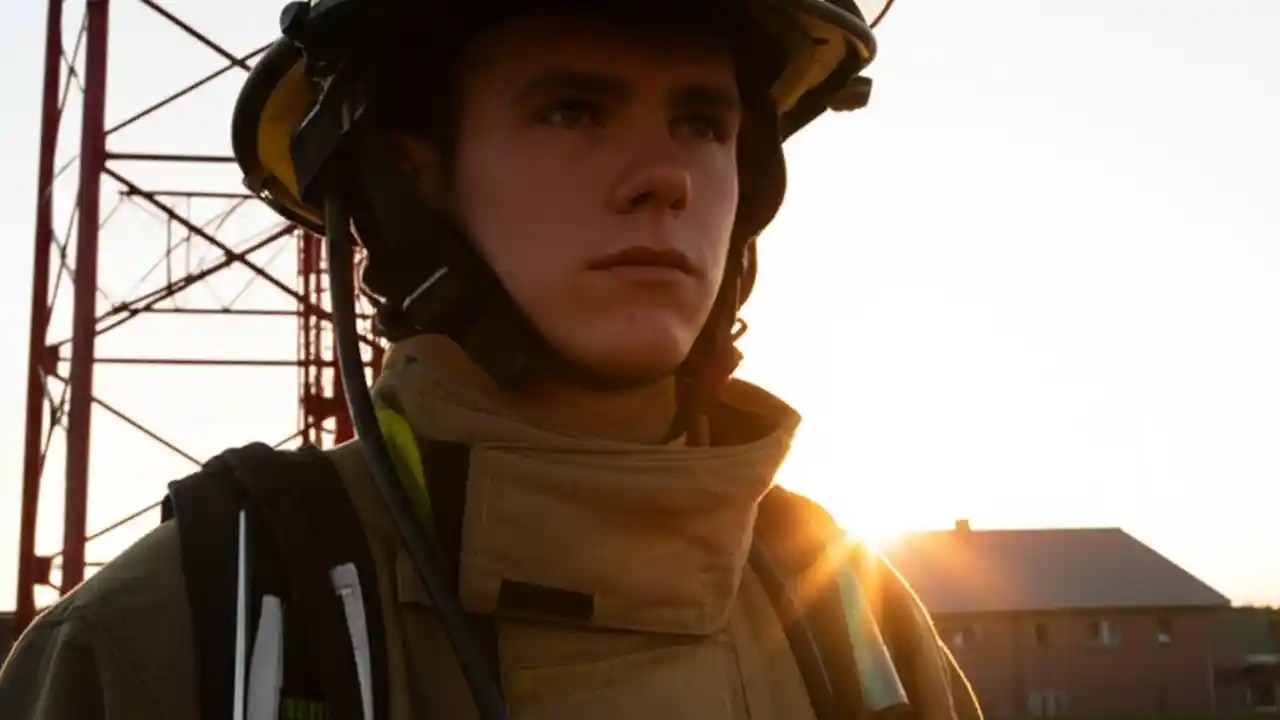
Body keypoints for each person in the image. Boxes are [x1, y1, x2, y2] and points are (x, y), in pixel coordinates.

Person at [0, 1, 982, 718]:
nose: (664, 180)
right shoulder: (174, 645)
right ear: (410, 183)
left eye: (703, 124)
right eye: (572, 111)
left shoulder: (853, 625)